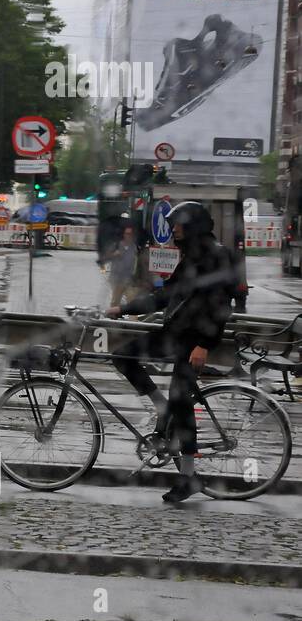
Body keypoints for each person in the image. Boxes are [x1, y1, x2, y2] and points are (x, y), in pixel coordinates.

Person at [104, 201, 238, 503]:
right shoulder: (191, 255)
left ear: (193, 226)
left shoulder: (216, 256)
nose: (173, 228)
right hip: (174, 334)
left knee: (182, 403)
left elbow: (221, 307)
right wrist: (123, 309)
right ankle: (159, 405)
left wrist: (204, 345)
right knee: (123, 356)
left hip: (194, 342)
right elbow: (166, 296)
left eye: (178, 223)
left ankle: (188, 477)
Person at [101, 219, 144, 306]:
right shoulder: (116, 245)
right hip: (117, 279)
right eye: (127, 234)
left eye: (131, 234)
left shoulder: (135, 248)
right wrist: (114, 254)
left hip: (129, 279)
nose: (129, 236)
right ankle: (112, 317)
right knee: (115, 301)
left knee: (131, 301)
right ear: (124, 234)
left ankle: (131, 318)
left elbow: (138, 262)